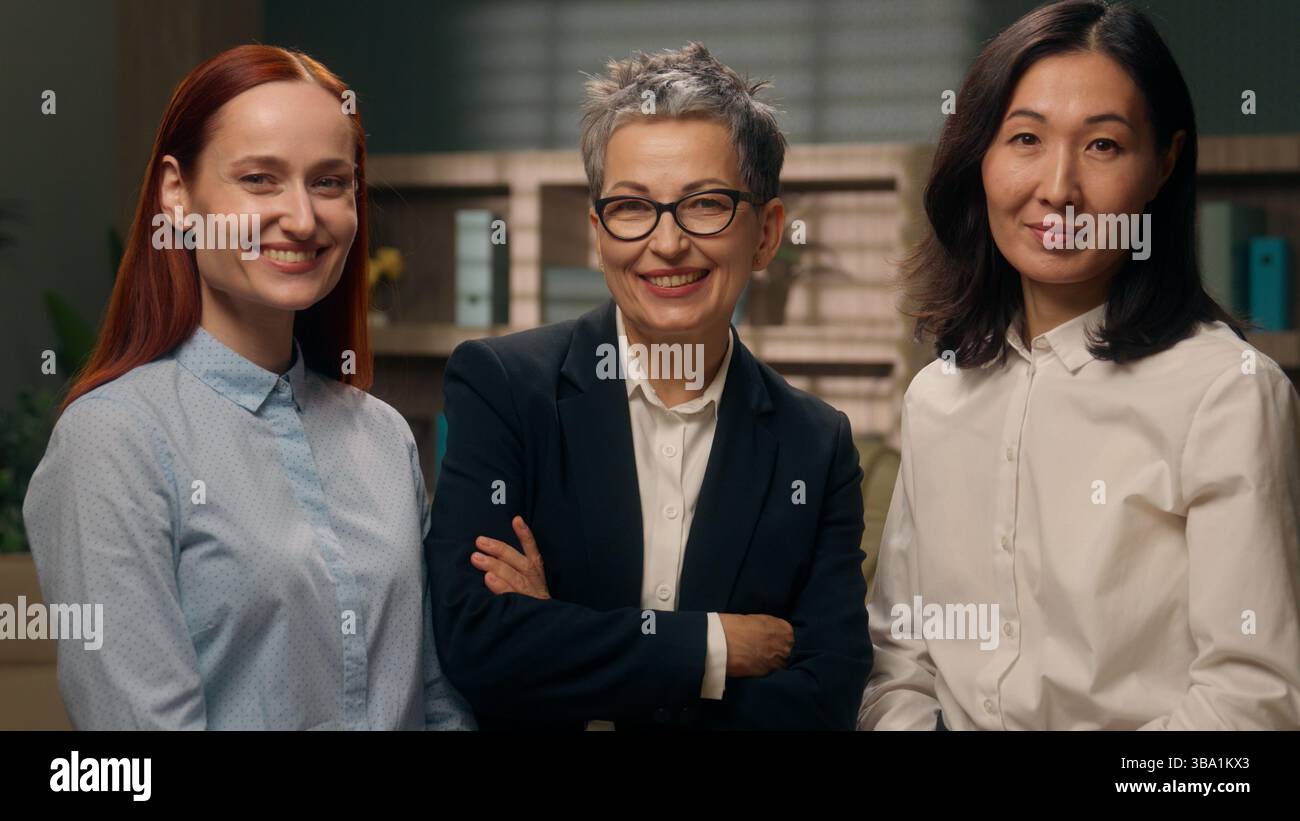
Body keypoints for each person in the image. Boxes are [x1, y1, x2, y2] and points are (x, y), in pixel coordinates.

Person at [860, 0, 1300, 730]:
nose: (1059, 188)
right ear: (981, 158)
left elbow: (1253, 704)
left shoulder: (1229, 395)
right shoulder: (936, 397)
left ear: (1163, 164)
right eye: (1025, 138)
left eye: (1102, 146)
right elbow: (900, 659)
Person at [23, 45, 473, 730]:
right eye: (260, 179)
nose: (301, 217)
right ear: (177, 194)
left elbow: (439, 699)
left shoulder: (381, 436)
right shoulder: (111, 440)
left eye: (329, 182)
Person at [427, 42, 871, 730]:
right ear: (597, 231)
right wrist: (716, 646)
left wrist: (566, 640)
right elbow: (479, 645)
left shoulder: (814, 444)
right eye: (632, 208)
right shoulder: (505, 390)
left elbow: (823, 698)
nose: (666, 244)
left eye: (705, 204)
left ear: (766, 233)